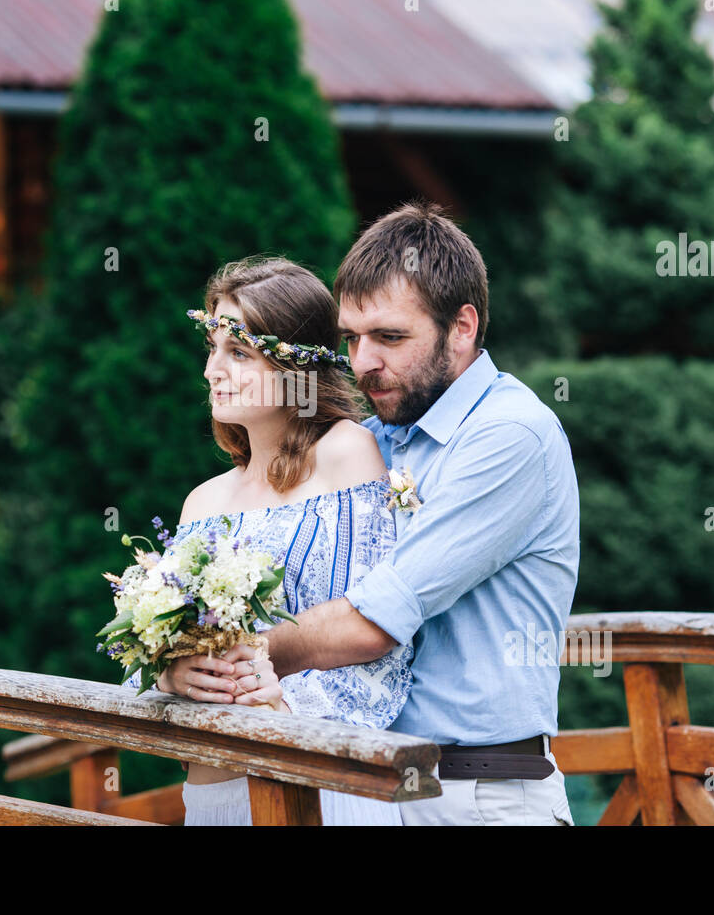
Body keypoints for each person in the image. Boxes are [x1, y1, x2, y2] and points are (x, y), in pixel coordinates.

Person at [163, 201, 581, 825]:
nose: (362, 363)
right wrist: (176, 663)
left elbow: (372, 622)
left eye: (389, 337)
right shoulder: (377, 438)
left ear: (462, 327)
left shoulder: (509, 436)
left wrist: (231, 654)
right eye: (352, 338)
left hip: (483, 793)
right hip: (383, 786)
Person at [123, 254, 412, 825]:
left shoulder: (345, 453)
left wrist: (275, 699)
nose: (212, 370)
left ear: (296, 366)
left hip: (315, 783)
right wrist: (168, 672)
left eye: (238, 353)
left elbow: (379, 636)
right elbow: (146, 654)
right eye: (211, 350)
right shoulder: (201, 502)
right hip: (210, 794)